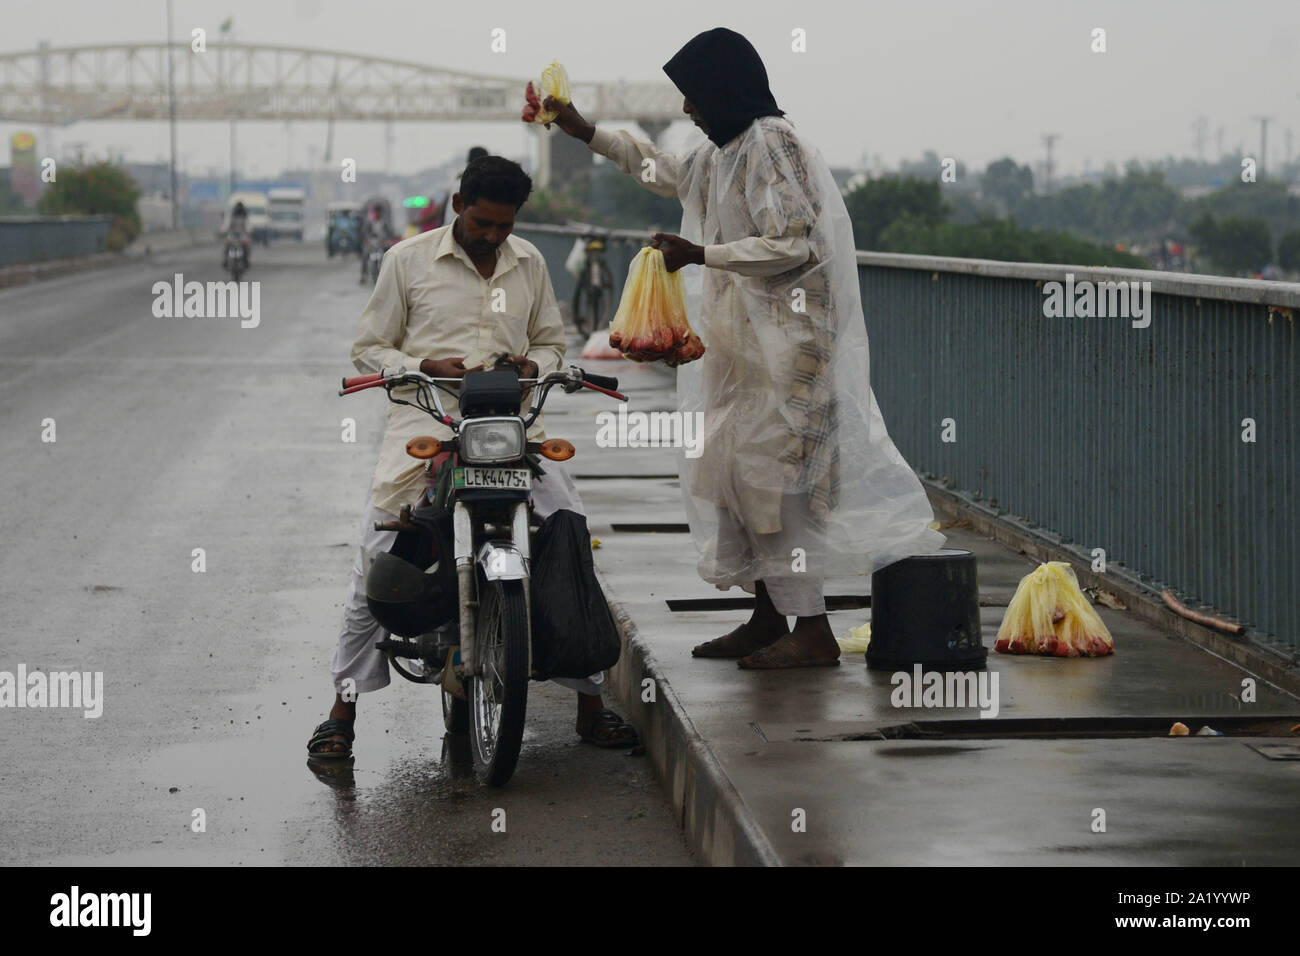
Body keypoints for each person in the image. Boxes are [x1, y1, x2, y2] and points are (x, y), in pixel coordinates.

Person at [543, 28, 945, 669]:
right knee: (731, 477)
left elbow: (795, 243)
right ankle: (765, 615)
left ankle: (812, 629)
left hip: (789, 354)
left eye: (692, 96)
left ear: (721, 90)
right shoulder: (718, 155)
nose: (685, 110)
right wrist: (584, 130)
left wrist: (701, 253)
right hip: (739, 353)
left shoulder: (772, 144)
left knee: (774, 484)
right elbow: (661, 171)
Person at [309, 155, 638, 758]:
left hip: (510, 425)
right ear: (459, 205)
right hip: (426, 418)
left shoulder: (531, 262)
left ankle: (590, 705)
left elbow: (551, 342)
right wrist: (422, 366)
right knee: (378, 555)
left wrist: (535, 365)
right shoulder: (406, 261)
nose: (492, 236)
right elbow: (369, 347)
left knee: (567, 536)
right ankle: (341, 712)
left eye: (504, 227)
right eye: (482, 222)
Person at [221, 200, 251, 268]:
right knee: (226, 246)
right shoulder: (231, 217)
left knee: (247, 247)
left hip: (242, 235)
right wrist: (223, 231)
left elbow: (248, 226)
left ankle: (246, 260)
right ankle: (225, 260)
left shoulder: (245, 217)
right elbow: (226, 225)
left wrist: (249, 232)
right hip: (232, 235)